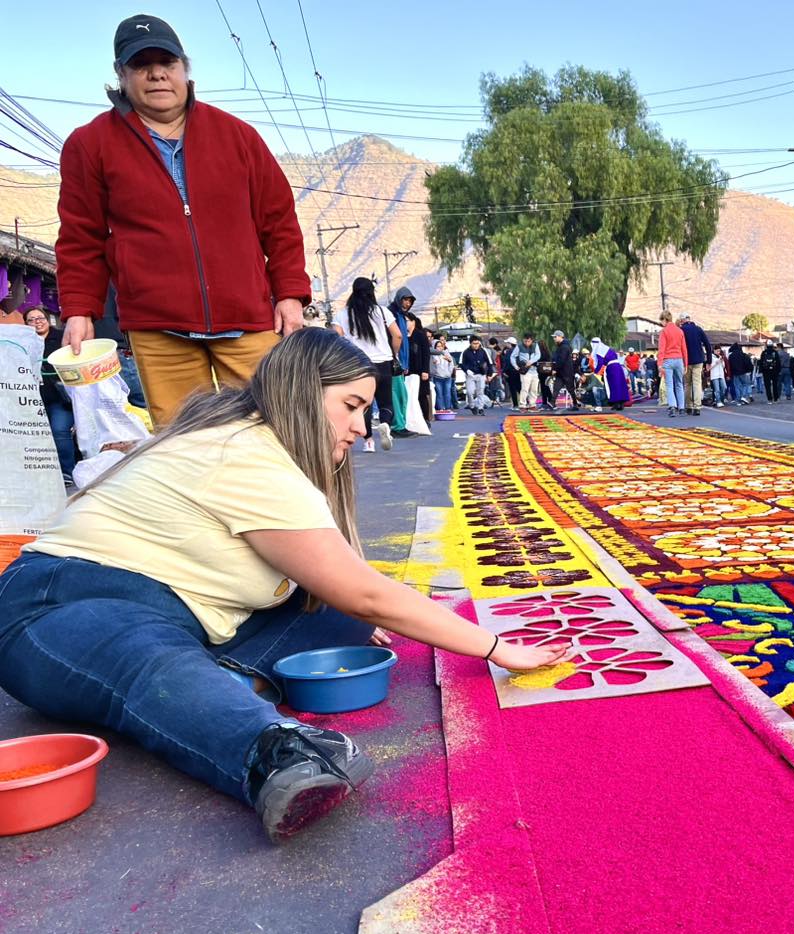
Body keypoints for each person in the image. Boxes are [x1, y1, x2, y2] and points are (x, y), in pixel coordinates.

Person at [0, 330, 567, 844]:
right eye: (351, 406)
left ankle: (213, 685)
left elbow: (353, 592)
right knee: (152, 659)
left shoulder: (265, 452)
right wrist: (495, 648)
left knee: (340, 616)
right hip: (58, 609)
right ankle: (271, 752)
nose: (361, 427)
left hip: (187, 618)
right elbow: (366, 591)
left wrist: (362, 613)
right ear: (301, 393)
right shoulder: (247, 452)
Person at [57, 14, 309, 429]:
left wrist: (290, 294)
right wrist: (80, 309)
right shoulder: (90, 144)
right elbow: (80, 236)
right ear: (122, 75)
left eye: (167, 62)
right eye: (141, 65)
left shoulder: (237, 135)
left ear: (185, 70)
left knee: (274, 432)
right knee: (183, 445)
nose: (157, 74)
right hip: (158, 327)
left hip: (247, 318)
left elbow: (278, 220)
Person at [341, 277, 400, 453]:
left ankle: (368, 442)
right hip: (383, 363)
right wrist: (393, 354)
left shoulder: (343, 314)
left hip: (358, 365)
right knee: (386, 402)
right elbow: (397, 336)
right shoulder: (382, 312)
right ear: (371, 292)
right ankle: (385, 425)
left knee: (363, 404)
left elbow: (335, 337)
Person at [26, 307, 78, 481]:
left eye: (40, 318)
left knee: (60, 430)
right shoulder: (24, 343)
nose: (37, 322)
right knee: (39, 437)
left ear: (48, 320)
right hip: (33, 399)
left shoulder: (62, 338)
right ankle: (47, 475)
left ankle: (67, 472)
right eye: (31, 320)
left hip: (60, 398)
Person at [678, 314, 713, 416]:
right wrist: (709, 361)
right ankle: (697, 407)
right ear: (689, 319)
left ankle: (688, 406)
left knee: (687, 384)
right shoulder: (698, 329)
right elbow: (707, 344)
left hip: (686, 361)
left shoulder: (681, 330)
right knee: (697, 383)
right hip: (698, 360)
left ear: (682, 320)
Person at [657, 310, 688, 417]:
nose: (661, 323)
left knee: (669, 385)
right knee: (679, 384)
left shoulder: (664, 332)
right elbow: (684, 349)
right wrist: (685, 363)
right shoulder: (680, 331)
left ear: (665, 319)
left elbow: (661, 349)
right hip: (679, 360)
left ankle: (672, 407)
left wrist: (659, 364)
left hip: (667, 360)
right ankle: (682, 408)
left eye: (661, 321)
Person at [593, 338, 631, 410]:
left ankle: (616, 404)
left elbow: (600, 363)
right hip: (618, 367)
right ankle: (621, 404)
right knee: (620, 385)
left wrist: (595, 371)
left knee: (613, 386)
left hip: (611, 368)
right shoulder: (608, 348)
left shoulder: (599, 350)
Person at [458, 336, 490, 414]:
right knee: (469, 392)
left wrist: (489, 374)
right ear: (470, 343)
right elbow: (461, 363)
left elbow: (490, 362)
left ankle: (480, 407)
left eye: (477, 343)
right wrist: (467, 370)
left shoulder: (483, 351)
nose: (476, 345)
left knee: (480, 391)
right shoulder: (465, 352)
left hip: (481, 374)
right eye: (474, 343)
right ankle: (472, 405)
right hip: (470, 375)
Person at [512, 333, 544, 409]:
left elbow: (538, 355)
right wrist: (516, 366)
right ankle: (522, 405)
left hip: (534, 369)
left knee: (534, 388)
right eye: (525, 341)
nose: (527, 343)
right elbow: (512, 357)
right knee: (525, 388)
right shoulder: (519, 346)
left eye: (528, 341)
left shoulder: (535, 346)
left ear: (531, 340)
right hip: (524, 370)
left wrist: (531, 361)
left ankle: (532, 404)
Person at [431, 334, 456, 412]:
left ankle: (448, 408)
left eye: (440, 346)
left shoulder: (446, 353)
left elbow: (451, 364)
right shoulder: (433, 355)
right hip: (437, 377)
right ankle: (441, 408)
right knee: (439, 393)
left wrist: (449, 371)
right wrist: (435, 362)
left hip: (447, 377)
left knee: (447, 393)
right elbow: (434, 365)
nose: (439, 348)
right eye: (437, 346)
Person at [500, 336, 521, 407]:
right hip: (518, 371)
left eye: (507, 343)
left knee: (513, 389)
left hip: (511, 372)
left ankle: (515, 405)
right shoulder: (519, 350)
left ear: (510, 343)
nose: (506, 345)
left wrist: (504, 371)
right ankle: (525, 402)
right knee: (520, 388)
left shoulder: (509, 352)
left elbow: (507, 362)